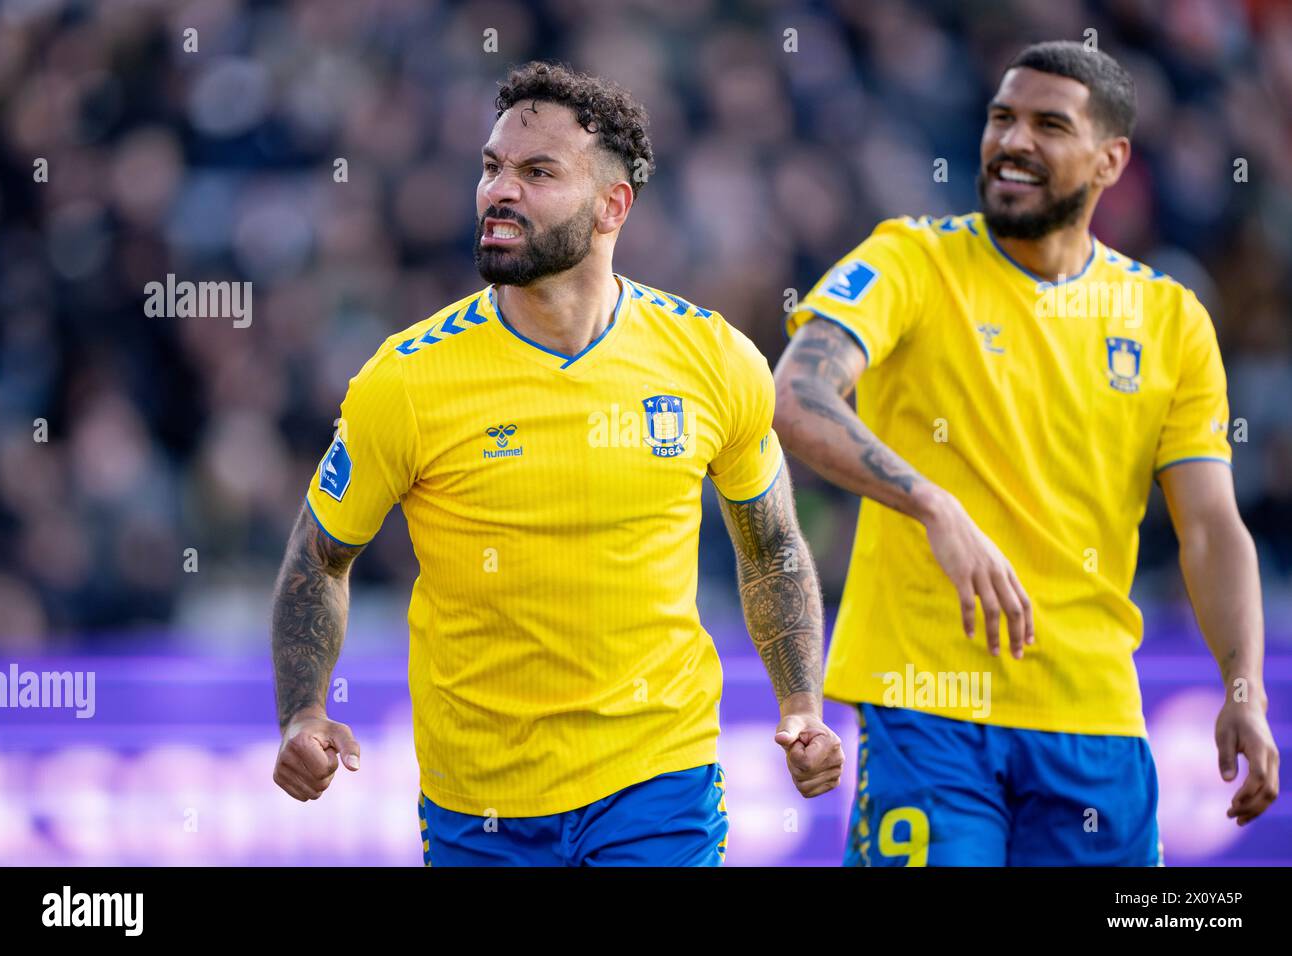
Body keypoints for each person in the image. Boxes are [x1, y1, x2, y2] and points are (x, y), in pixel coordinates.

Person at [269, 61, 843, 866]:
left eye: (538, 173)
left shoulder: (712, 359)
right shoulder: (405, 381)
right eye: (491, 167)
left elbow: (771, 546)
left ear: (614, 205)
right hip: (483, 807)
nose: (500, 191)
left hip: (659, 781)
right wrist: (302, 712)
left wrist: (801, 704)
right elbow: (317, 561)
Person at [773, 41, 1278, 866]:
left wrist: (1243, 689)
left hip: (1093, 725)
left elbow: (1212, 529)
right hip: (927, 706)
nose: (1014, 141)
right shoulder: (913, 259)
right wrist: (932, 503)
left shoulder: (1171, 320)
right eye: (1002, 118)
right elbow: (796, 396)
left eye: (1050, 125)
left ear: (1111, 160)